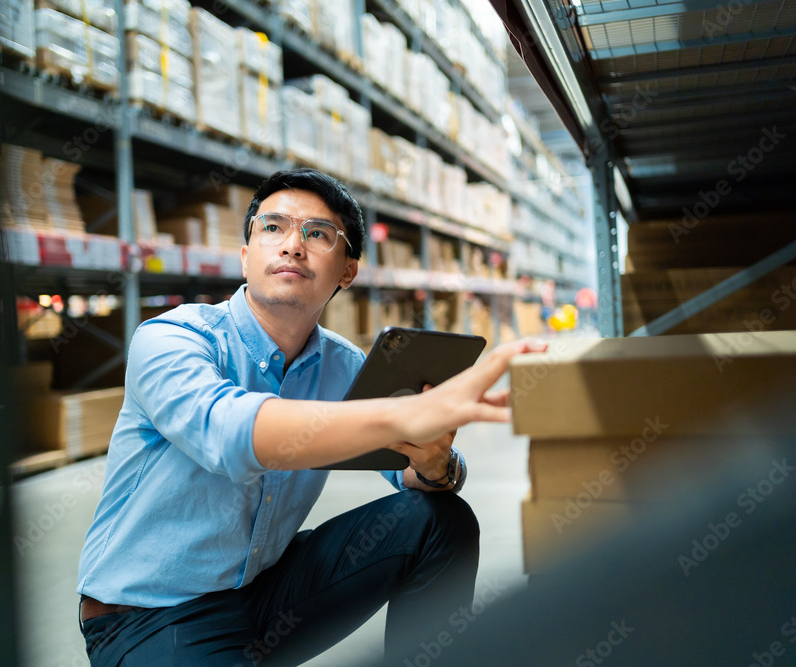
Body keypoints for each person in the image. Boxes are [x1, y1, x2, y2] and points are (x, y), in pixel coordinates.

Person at [76, 168, 546, 666]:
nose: (292, 246)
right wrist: (405, 413)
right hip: (148, 616)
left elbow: (401, 464)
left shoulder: (344, 366)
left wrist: (436, 464)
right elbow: (228, 434)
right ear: (245, 256)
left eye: (318, 234)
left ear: (347, 271)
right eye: (273, 228)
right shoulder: (172, 340)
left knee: (439, 520)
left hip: (263, 596)